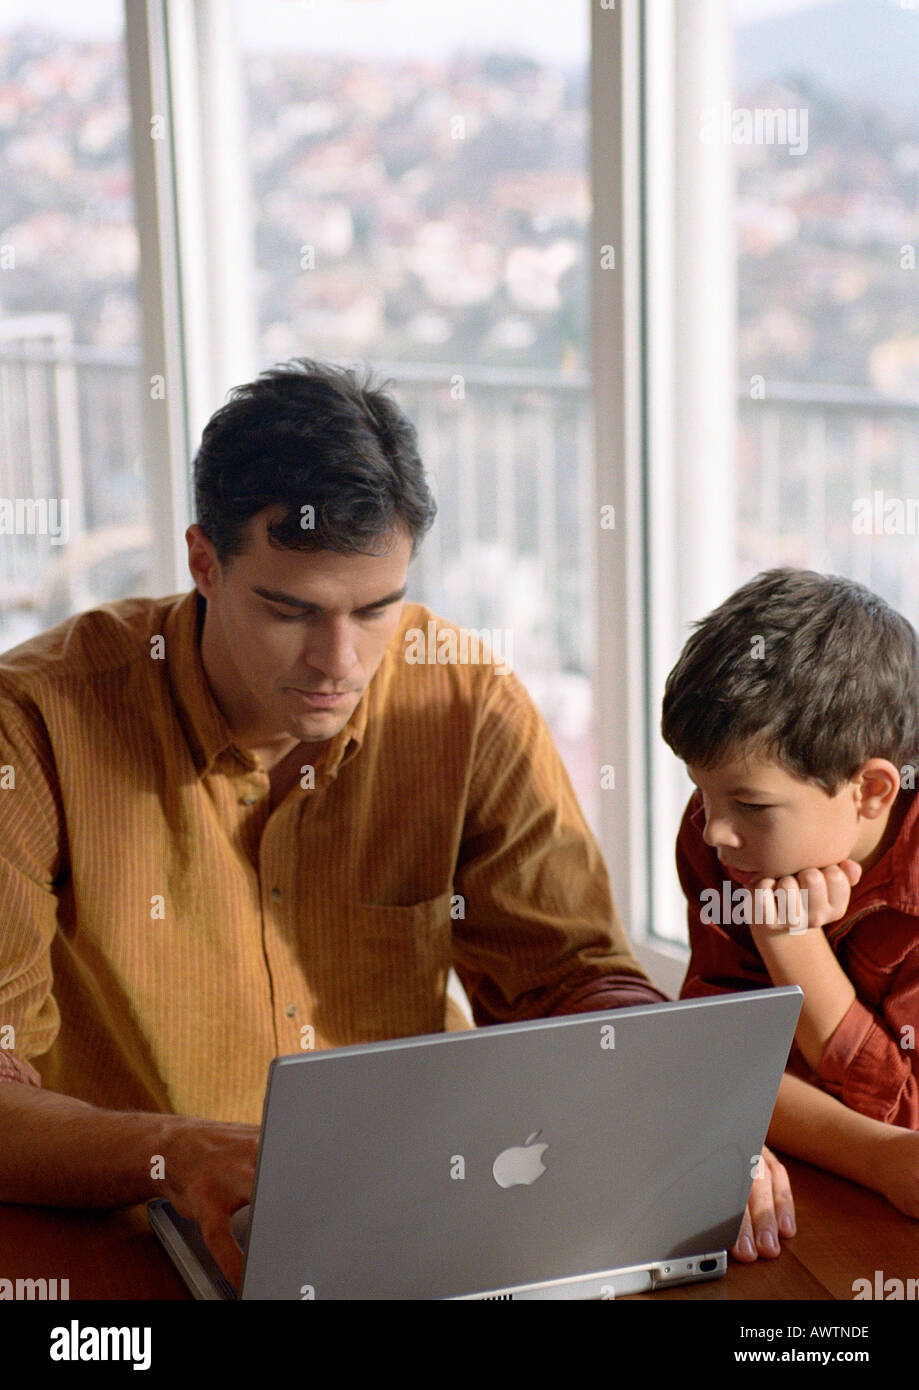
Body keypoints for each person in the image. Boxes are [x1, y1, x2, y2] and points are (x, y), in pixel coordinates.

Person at [0, 358, 789, 1291]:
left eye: (375, 608)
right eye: (290, 610)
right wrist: (178, 1152)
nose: (339, 660)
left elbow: (570, 979)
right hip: (135, 1239)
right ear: (203, 562)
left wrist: (676, 1104)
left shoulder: (464, 703)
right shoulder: (36, 726)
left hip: (427, 1224)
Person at [661, 566, 919, 1242]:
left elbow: (906, 1125)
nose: (712, 829)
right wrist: (785, 939)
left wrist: (793, 945)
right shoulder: (721, 838)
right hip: (809, 1187)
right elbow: (718, 1060)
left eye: (747, 803)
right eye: (702, 791)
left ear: (870, 789)